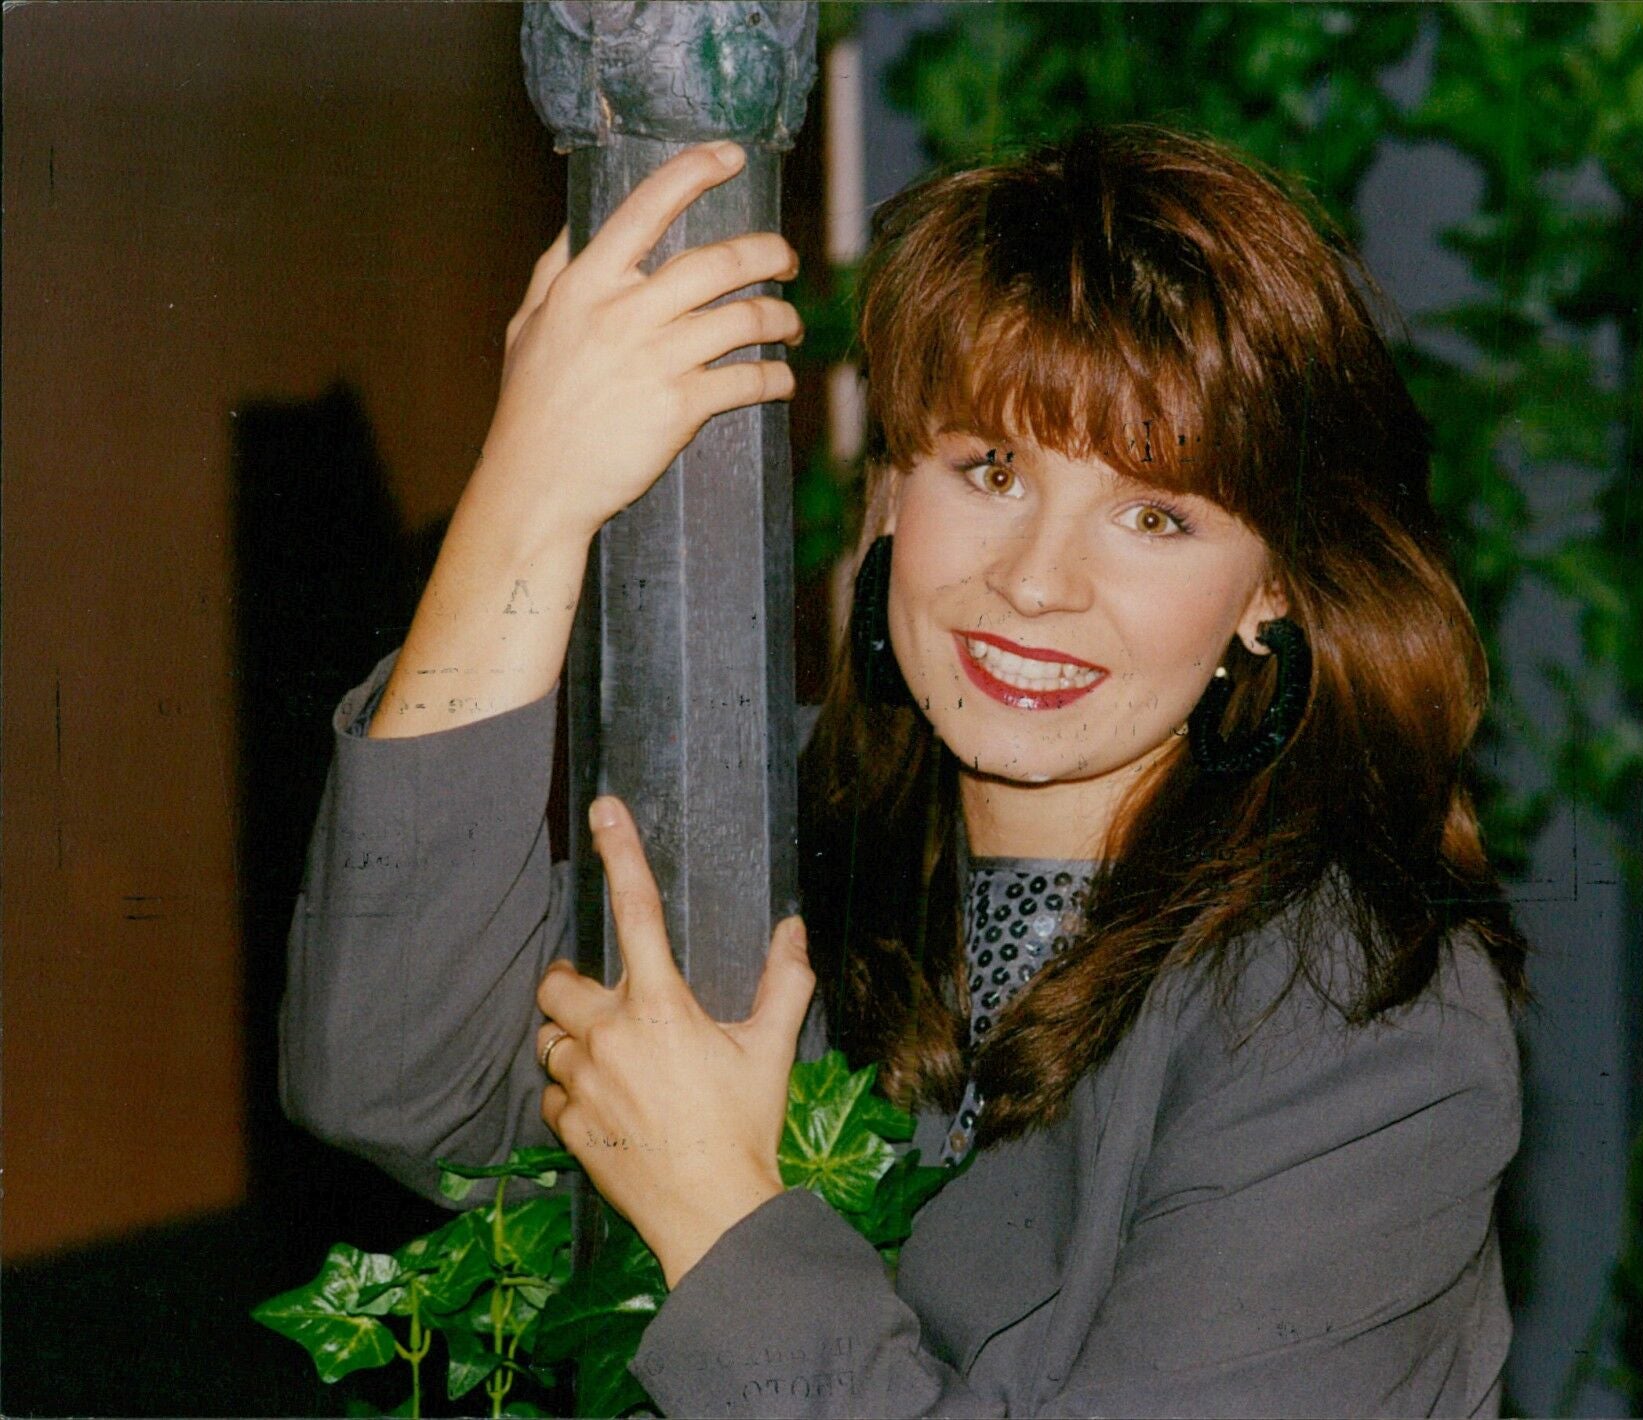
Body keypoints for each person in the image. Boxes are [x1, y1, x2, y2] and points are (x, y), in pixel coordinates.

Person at [280, 122, 1528, 1417]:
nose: (1036, 584)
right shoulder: (781, 826)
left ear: (1269, 589)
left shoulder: (1362, 1027)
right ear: (886, 498)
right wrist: (531, 497)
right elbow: (397, 1070)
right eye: (989, 469)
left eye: (1153, 515)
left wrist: (720, 1217)